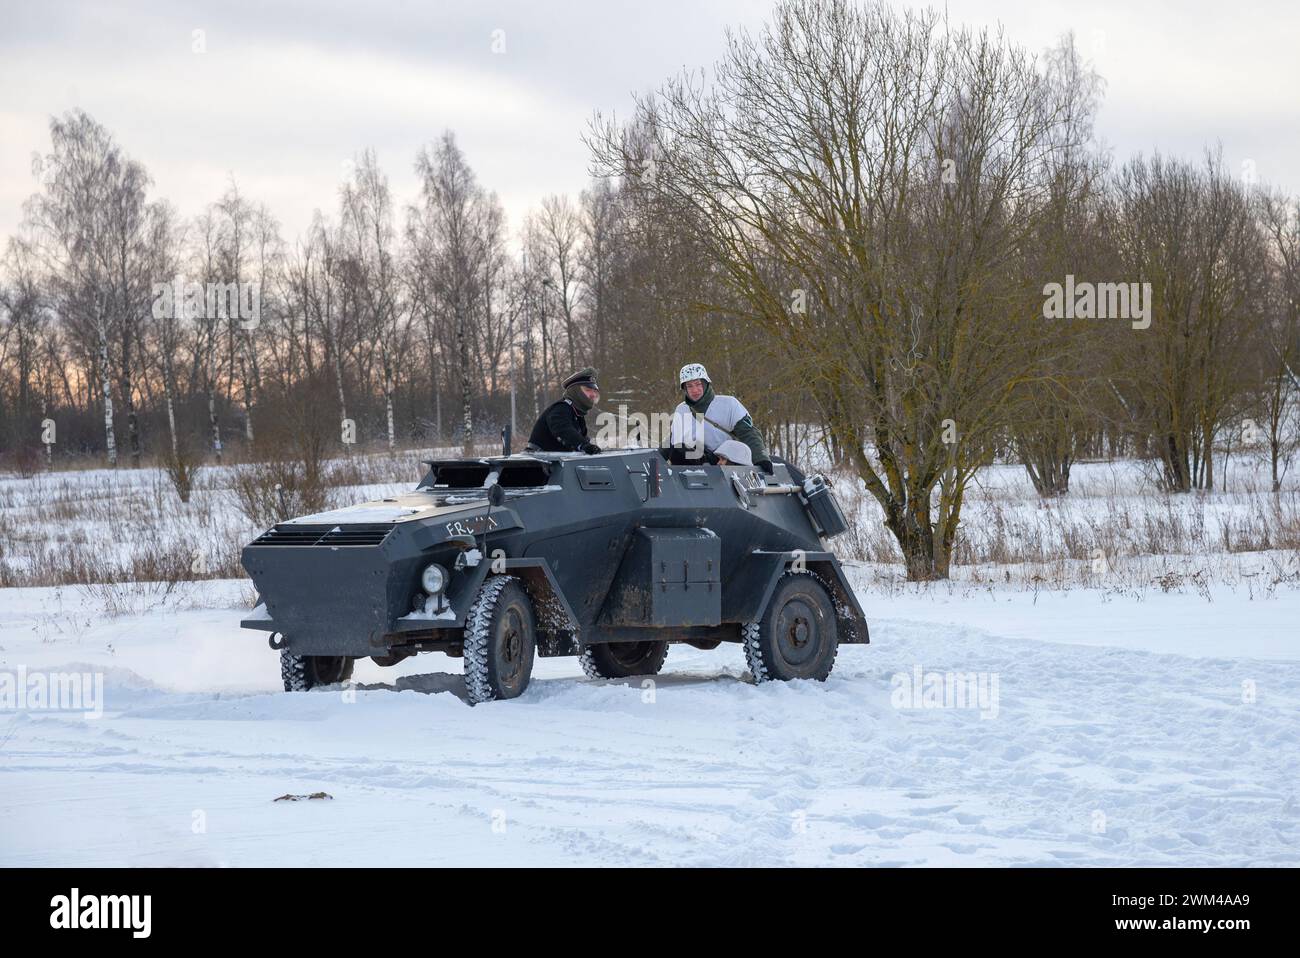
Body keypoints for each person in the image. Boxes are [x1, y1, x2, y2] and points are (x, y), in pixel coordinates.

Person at [669, 362, 774, 473]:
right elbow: (673, 443)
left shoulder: (729, 404)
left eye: (698, 384)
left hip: (726, 465)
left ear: (706, 383)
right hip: (694, 467)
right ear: (684, 388)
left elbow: (748, 433)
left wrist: (761, 459)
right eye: (689, 386)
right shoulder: (681, 410)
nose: (694, 390)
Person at [526, 367, 603, 454]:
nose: (593, 394)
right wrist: (583, 445)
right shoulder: (561, 409)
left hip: (557, 462)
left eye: (594, 391)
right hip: (538, 463)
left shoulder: (577, 414)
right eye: (588, 390)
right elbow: (563, 429)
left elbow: (582, 439)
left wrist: (589, 446)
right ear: (576, 391)